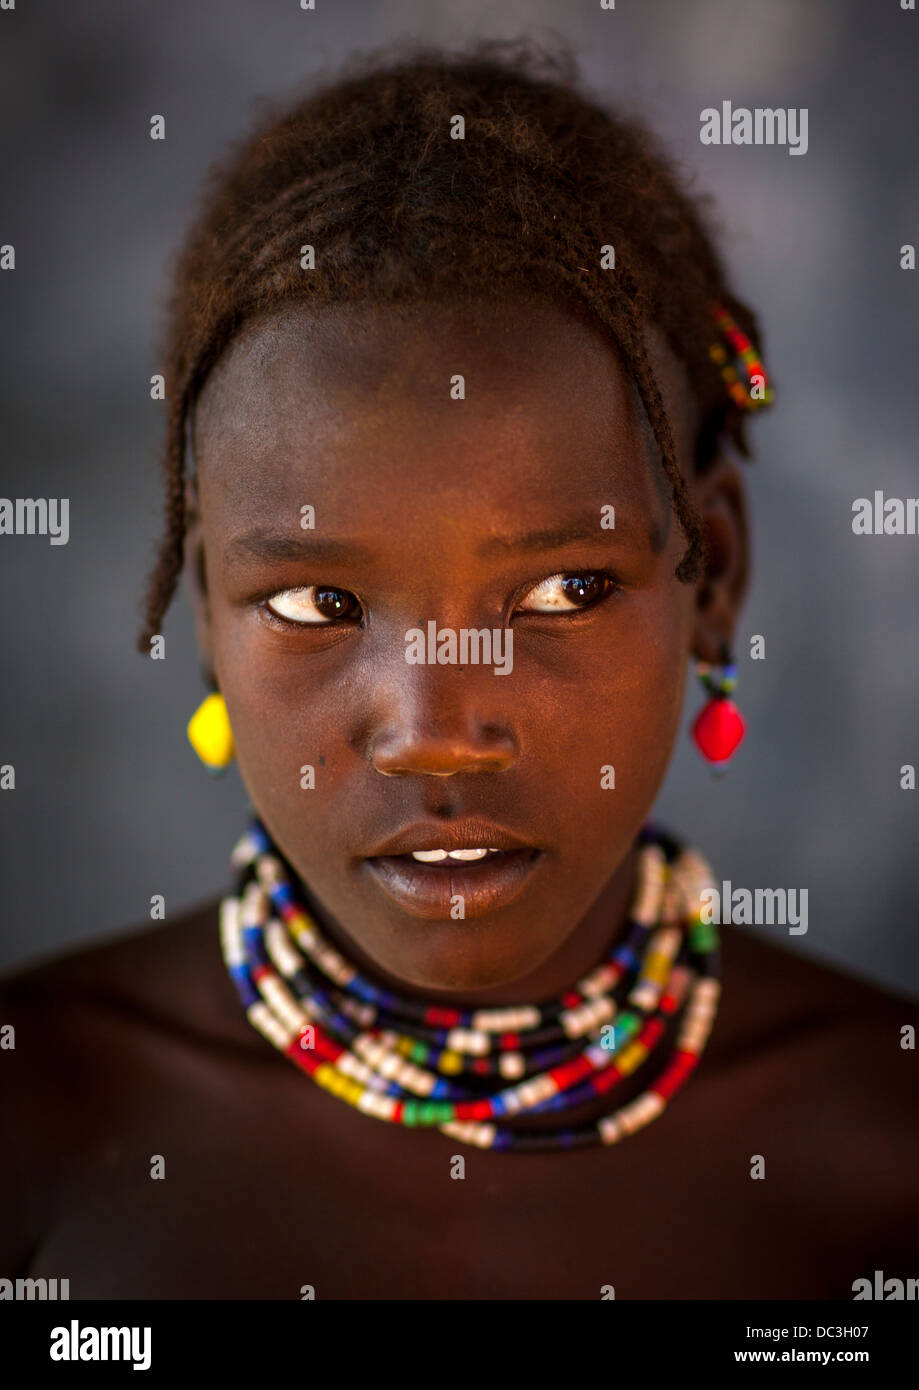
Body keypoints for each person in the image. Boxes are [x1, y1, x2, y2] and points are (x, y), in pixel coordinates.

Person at [2, 40, 916, 1301]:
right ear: (206, 612)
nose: (433, 731)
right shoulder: (38, 1123)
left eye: (561, 591)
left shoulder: (884, 1152)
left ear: (713, 575)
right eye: (320, 603)